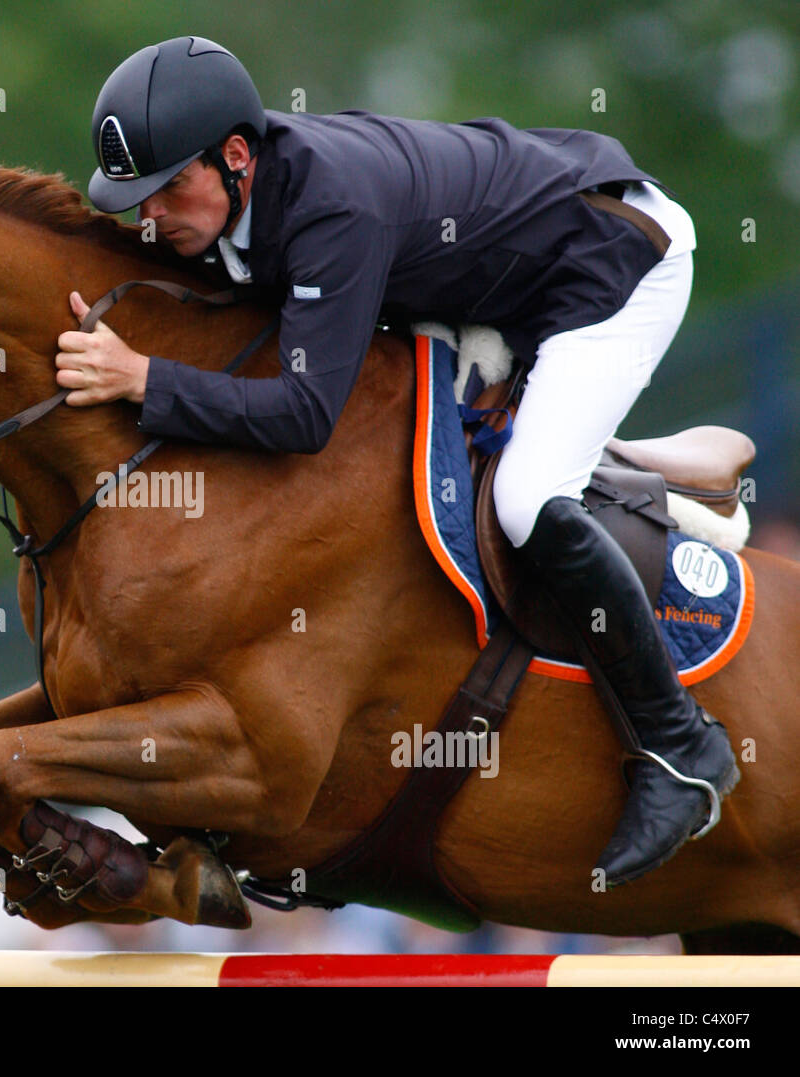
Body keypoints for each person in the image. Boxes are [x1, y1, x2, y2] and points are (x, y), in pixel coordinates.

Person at [55, 35, 738, 887]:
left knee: (527, 498)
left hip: (611, 261)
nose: (147, 216)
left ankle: (681, 746)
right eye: (135, 200)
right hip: (496, 277)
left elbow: (305, 413)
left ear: (236, 156)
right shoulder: (243, 194)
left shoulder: (334, 209)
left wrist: (143, 377)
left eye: (163, 191)